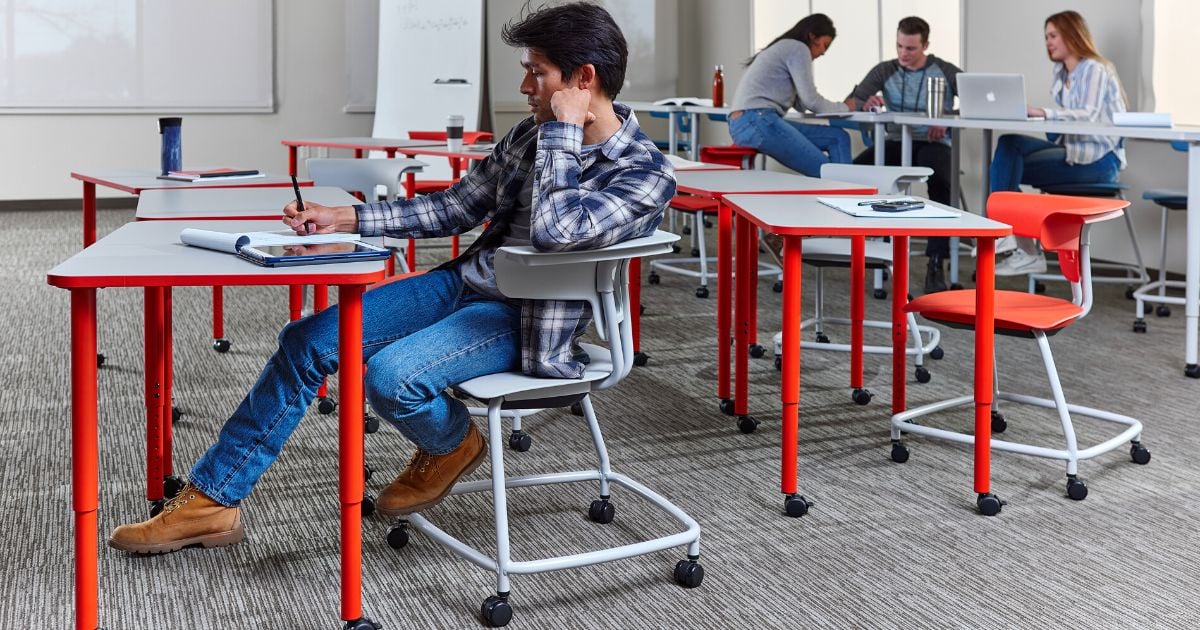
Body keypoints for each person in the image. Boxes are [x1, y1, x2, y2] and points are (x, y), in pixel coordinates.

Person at [107, 2, 675, 555]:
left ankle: (454, 443)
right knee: (306, 342)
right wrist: (347, 216)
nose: (525, 88)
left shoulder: (644, 172)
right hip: (465, 284)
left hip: (525, 318)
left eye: (537, 73)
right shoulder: (530, 135)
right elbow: (455, 207)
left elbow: (557, 229)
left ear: (583, 78)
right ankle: (212, 502)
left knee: (392, 379)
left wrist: (564, 135)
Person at [989, 10, 1128, 276]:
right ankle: (1012, 237)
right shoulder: (1061, 72)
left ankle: (1011, 236)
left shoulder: (1095, 69)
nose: (1048, 42)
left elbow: (1087, 113)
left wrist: (1043, 112)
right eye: (1046, 37)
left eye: (1053, 36)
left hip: (1099, 161)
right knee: (1008, 147)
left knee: (1003, 168)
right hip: (1072, 151)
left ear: (1071, 34)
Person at [849, 16, 962, 294]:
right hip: (897, 142)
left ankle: (936, 261)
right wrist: (868, 102)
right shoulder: (885, 70)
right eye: (899, 46)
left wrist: (948, 118)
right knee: (855, 172)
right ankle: (876, 249)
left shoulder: (945, 70)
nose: (903, 53)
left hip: (932, 143)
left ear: (925, 45)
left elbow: (976, 102)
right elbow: (854, 99)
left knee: (943, 182)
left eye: (910, 48)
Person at [727, 13, 854, 178]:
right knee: (828, 173)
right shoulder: (798, 48)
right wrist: (846, 107)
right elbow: (811, 101)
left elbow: (801, 102)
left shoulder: (785, 47)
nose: (823, 52)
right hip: (757, 120)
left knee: (839, 137)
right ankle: (849, 194)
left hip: (748, 121)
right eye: (824, 45)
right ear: (811, 36)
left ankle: (847, 192)